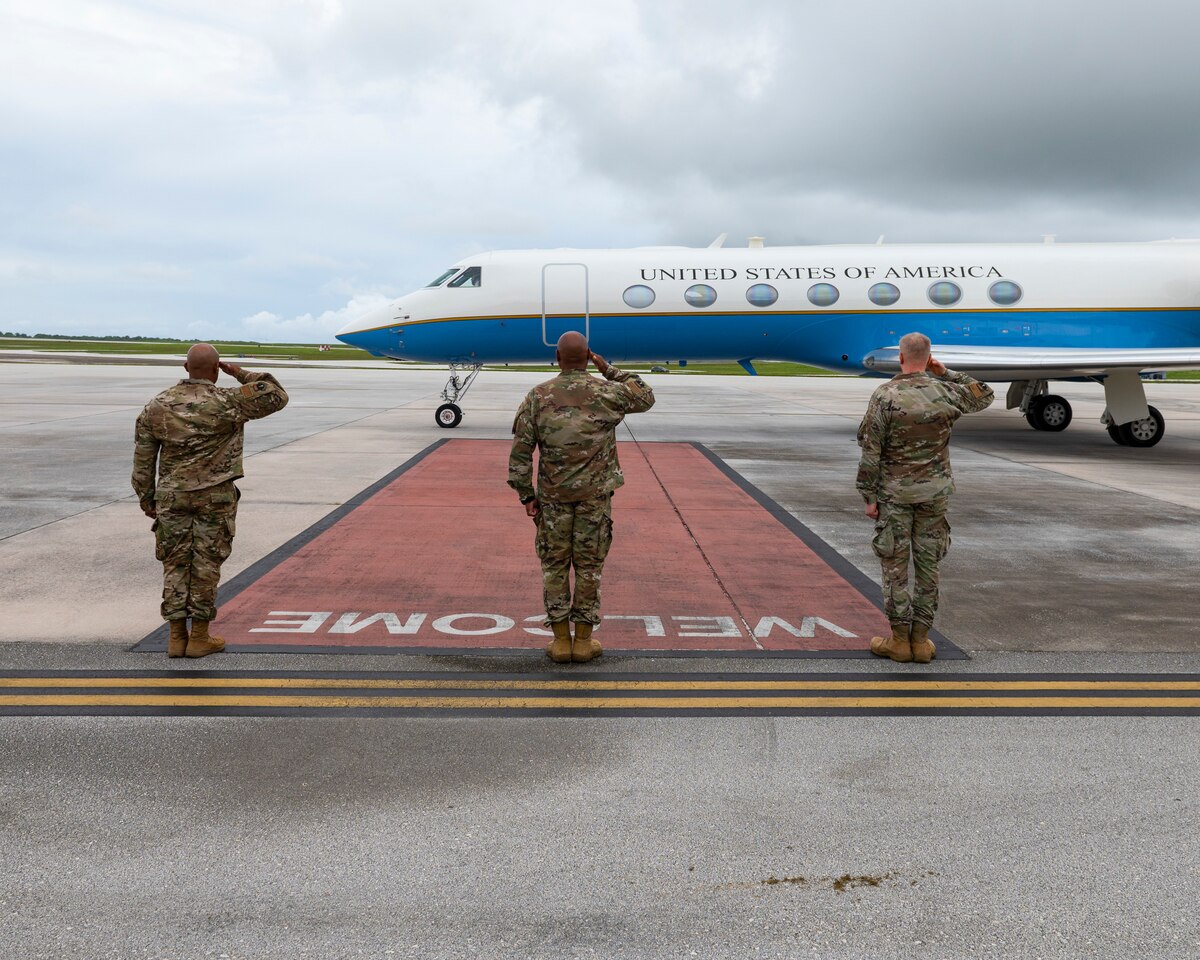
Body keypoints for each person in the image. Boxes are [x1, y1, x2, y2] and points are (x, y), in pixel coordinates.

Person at [132, 344, 288, 658]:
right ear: (216, 369)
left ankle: (176, 637)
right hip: (214, 497)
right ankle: (199, 637)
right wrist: (241, 373)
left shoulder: (156, 406)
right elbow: (275, 394)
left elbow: (143, 462)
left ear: (185, 368)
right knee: (205, 564)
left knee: (175, 563)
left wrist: (147, 499)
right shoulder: (228, 402)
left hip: (172, 497)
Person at [508, 331, 655, 663]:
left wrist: (525, 495)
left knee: (555, 565)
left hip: (552, 498)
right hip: (594, 498)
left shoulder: (537, 396)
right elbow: (645, 395)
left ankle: (561, 641)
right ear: (589, 356)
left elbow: (520, 453)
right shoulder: (607, 392)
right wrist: (609, 370)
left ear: (557, 359)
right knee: (589, 566)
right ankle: (584, 641)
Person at [856, 332, 994, 663]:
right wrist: (946, 373)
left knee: (895, 565)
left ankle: (899, 640)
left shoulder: (885, 395)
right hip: (935, 494)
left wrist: (868, 496)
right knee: (928, 565)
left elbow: (871, 449)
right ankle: (921, 640)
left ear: (901, 358)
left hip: (895, 494)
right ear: (929, 358)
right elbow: (985, 394)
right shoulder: (945, 389)